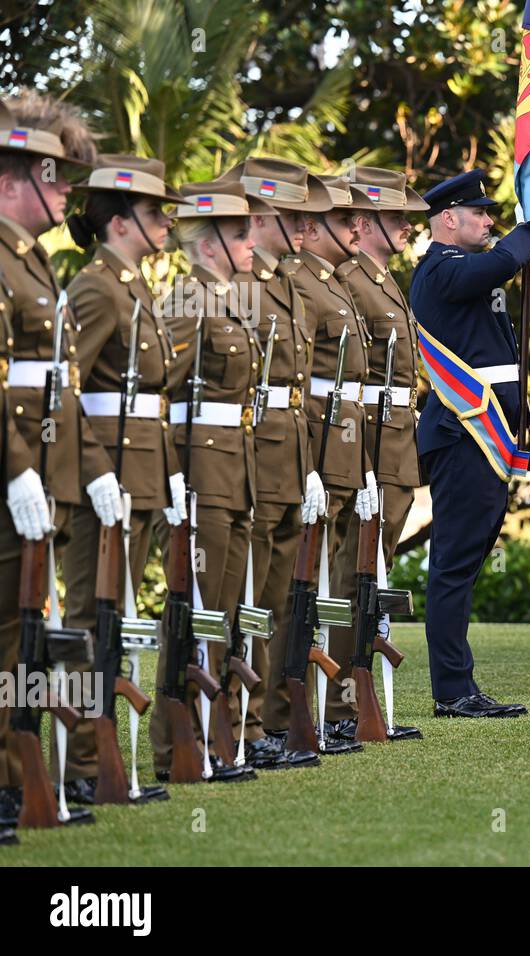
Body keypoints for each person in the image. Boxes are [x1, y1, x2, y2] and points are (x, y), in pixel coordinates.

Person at [0, 93, 120, 829]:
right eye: (57, 179)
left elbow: (61, 382)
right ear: (22, 175)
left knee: (22, 633)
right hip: (11, 471)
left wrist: (93, 466)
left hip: (45, 472)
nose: (66, 196)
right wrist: (16, 467)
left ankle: (16, 782)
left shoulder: (31, 261)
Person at [60, 154, 188, 801]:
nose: (165, 222)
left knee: (117, 618)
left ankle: (101, 758)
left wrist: (167, 478)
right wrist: (91, 472)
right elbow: (64, 388)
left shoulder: (133, 285)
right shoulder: (96, 287)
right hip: (103, 478)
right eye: (154, 211)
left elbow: (147, 397)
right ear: (119, 221)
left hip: (137, 475)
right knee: (90, 618)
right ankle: (81, 765)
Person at [151, 178, 272, 783]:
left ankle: (216, 735)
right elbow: (163, 392)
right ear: (208, 244)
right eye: (240, 232)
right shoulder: (185, 302)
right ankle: (177, 745)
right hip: (200, 468)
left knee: (222, 612)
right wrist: (172, 477)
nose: (253, 241)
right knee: (192, 610)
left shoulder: (231, 297)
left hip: (236, 468)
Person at [408, 168, 530, 716]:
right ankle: (452, 690)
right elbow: (502, 262)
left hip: (485, 434)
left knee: (468, 558)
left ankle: (459, 685)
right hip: (463, 434)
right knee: (454, 563)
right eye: (480, 213)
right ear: (447, 219)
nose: (489, 221)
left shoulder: (469, 270)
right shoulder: (440, 270)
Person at [218, 157, 330, 767]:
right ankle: (244, 727)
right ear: (260, 216)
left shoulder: (286, 281)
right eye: (290, 216)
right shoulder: (237, 285)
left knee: (285, 593)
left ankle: (274, 722)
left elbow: (299, 386)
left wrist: (310, 463)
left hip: (290, 451)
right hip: (252, 453)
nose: (301, 227)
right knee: (248, 598)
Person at [327, 166, 427, 736]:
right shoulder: (350, 277)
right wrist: (359, 458)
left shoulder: (383, 279)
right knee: (352, 570)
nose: (406, 228)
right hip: (368, 437)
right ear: (363, 224)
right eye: (395, 219)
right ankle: (341, 706)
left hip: (393, 438)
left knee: (373, 570)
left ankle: (359, 700)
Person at [294, 175, 380, 750]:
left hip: (346, 446)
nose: (357, 228)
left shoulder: (335, 283)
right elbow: (301, 382)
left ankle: (336, 711)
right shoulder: (301, 282)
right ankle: (294, 717)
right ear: (312, 227)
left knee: (346, 582)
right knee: (304, 586)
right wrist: (307, 465)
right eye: (345, 219)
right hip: (315, 446)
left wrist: (367, 463)